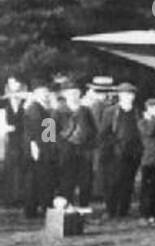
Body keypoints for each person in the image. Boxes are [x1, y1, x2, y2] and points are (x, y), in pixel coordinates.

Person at [100, 83, 143, 218]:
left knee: (128, 182)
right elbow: (104, 133)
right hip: (115, 154)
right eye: (125, 94)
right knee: (113, 182)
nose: (128, 97)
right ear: (120, 96)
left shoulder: (137, 112)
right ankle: (111, 210)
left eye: (131, 94)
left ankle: (124, 210)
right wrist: (114, 145)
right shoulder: (111, 112)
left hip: (133, 153)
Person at [59, 83, 96, 207]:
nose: (73, 96)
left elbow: (94, 131)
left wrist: (90, 145)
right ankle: (67, 207)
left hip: (84, 152)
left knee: (86, 182)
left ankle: (84, 207)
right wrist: (61, 147)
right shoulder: (57, 111)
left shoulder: (86, 111)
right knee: (66, 182)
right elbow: (47, 135)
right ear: (65, 95)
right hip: (66, 152)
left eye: (76, 93)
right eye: (70, 93)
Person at [22, 83, 56, 218]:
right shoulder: (35, 109)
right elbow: (34, 131)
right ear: (36, 95)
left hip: (44, 148)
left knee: (41, 179)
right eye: (43, 94)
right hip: (39, 149)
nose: (46, 96)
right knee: (35, 180)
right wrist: (35, 147)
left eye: (47, 94)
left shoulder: (44, 109)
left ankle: (39, 207)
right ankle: (32, 209)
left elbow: (49, 132)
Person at [2, 77, 26, 207]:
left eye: (17, 82)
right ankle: (10, 198)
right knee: (11, 169)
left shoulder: (26, 103)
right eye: (12, 83)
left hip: (24, 140)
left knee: (22, 169)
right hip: (10, 141)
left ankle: (21, 197)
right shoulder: (4, 104)